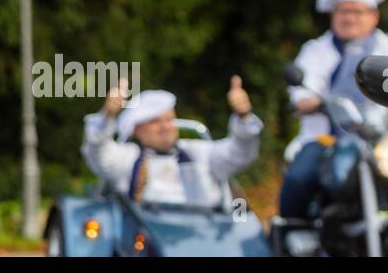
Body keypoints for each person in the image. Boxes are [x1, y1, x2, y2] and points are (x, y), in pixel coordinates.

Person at [278, 0, 388, 218]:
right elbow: (301, 93)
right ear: (333, 15)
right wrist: (310, 101)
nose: (349, 18)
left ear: (374, 16)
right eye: (343, 11)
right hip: (329, 140)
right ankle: (290, 231)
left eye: (357, 11)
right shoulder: (315, 51)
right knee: (299, 177)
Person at [82, 80, 261, 205]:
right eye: (155, 121)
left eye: (169, 119)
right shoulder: (127, 158)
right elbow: (98, 153)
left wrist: (244, 116)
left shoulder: (201, 153)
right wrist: (107, 114)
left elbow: (241, 153)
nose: (166, 127)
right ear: (136, 129)